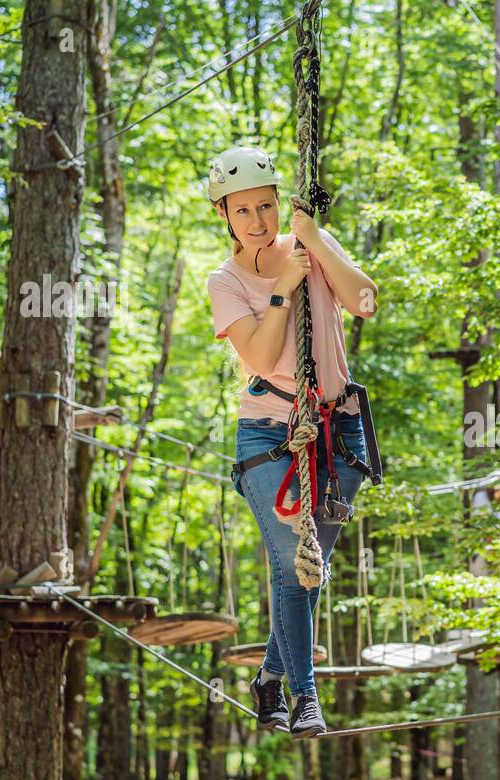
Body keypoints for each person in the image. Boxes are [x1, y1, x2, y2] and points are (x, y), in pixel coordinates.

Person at [205, 145, 378, 737]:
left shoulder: (307, 248)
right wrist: (284, 287)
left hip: (337, 429)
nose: (258, 221)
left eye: (267, 206)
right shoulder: (225, 280)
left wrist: (314, 239)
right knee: (293, 567)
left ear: (281, 205)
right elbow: (255, 354)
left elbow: (366, 302)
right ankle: (304, 697)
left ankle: (269, 677)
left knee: (309, 568)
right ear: (224, 216)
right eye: (243, 210)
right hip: (271, 436)